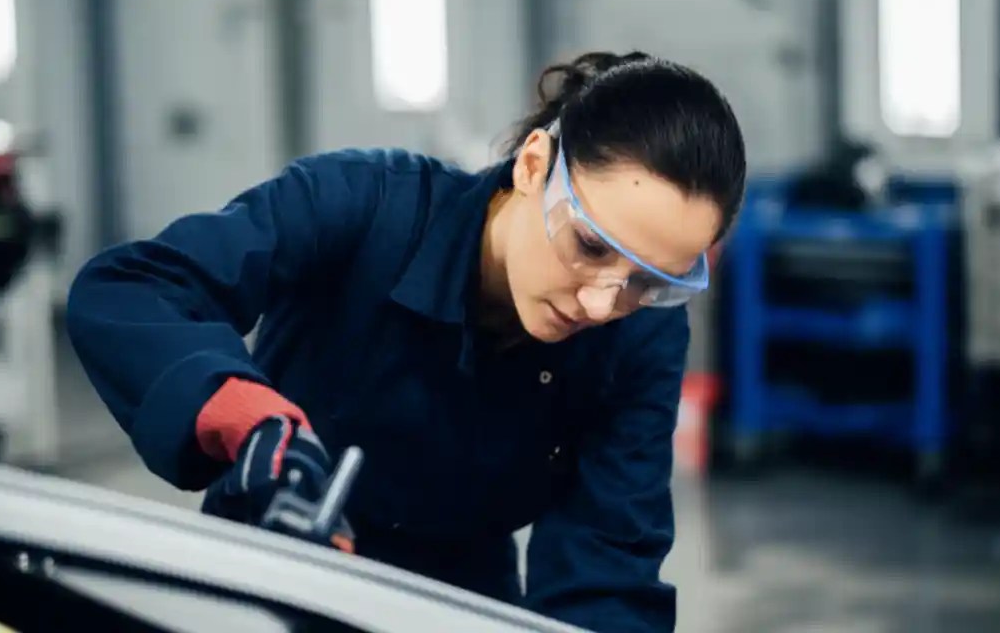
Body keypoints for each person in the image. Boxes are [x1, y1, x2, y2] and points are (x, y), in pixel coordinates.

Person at [66, 50, 746, 632]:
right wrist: (249, 420)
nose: (603, 301)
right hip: (264, 581)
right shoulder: (365, 204)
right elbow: (135, 288)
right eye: (591, 244)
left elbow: (607, 567)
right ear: (535, 165)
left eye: (649, 281)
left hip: (455, 608)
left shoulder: (641, 334)